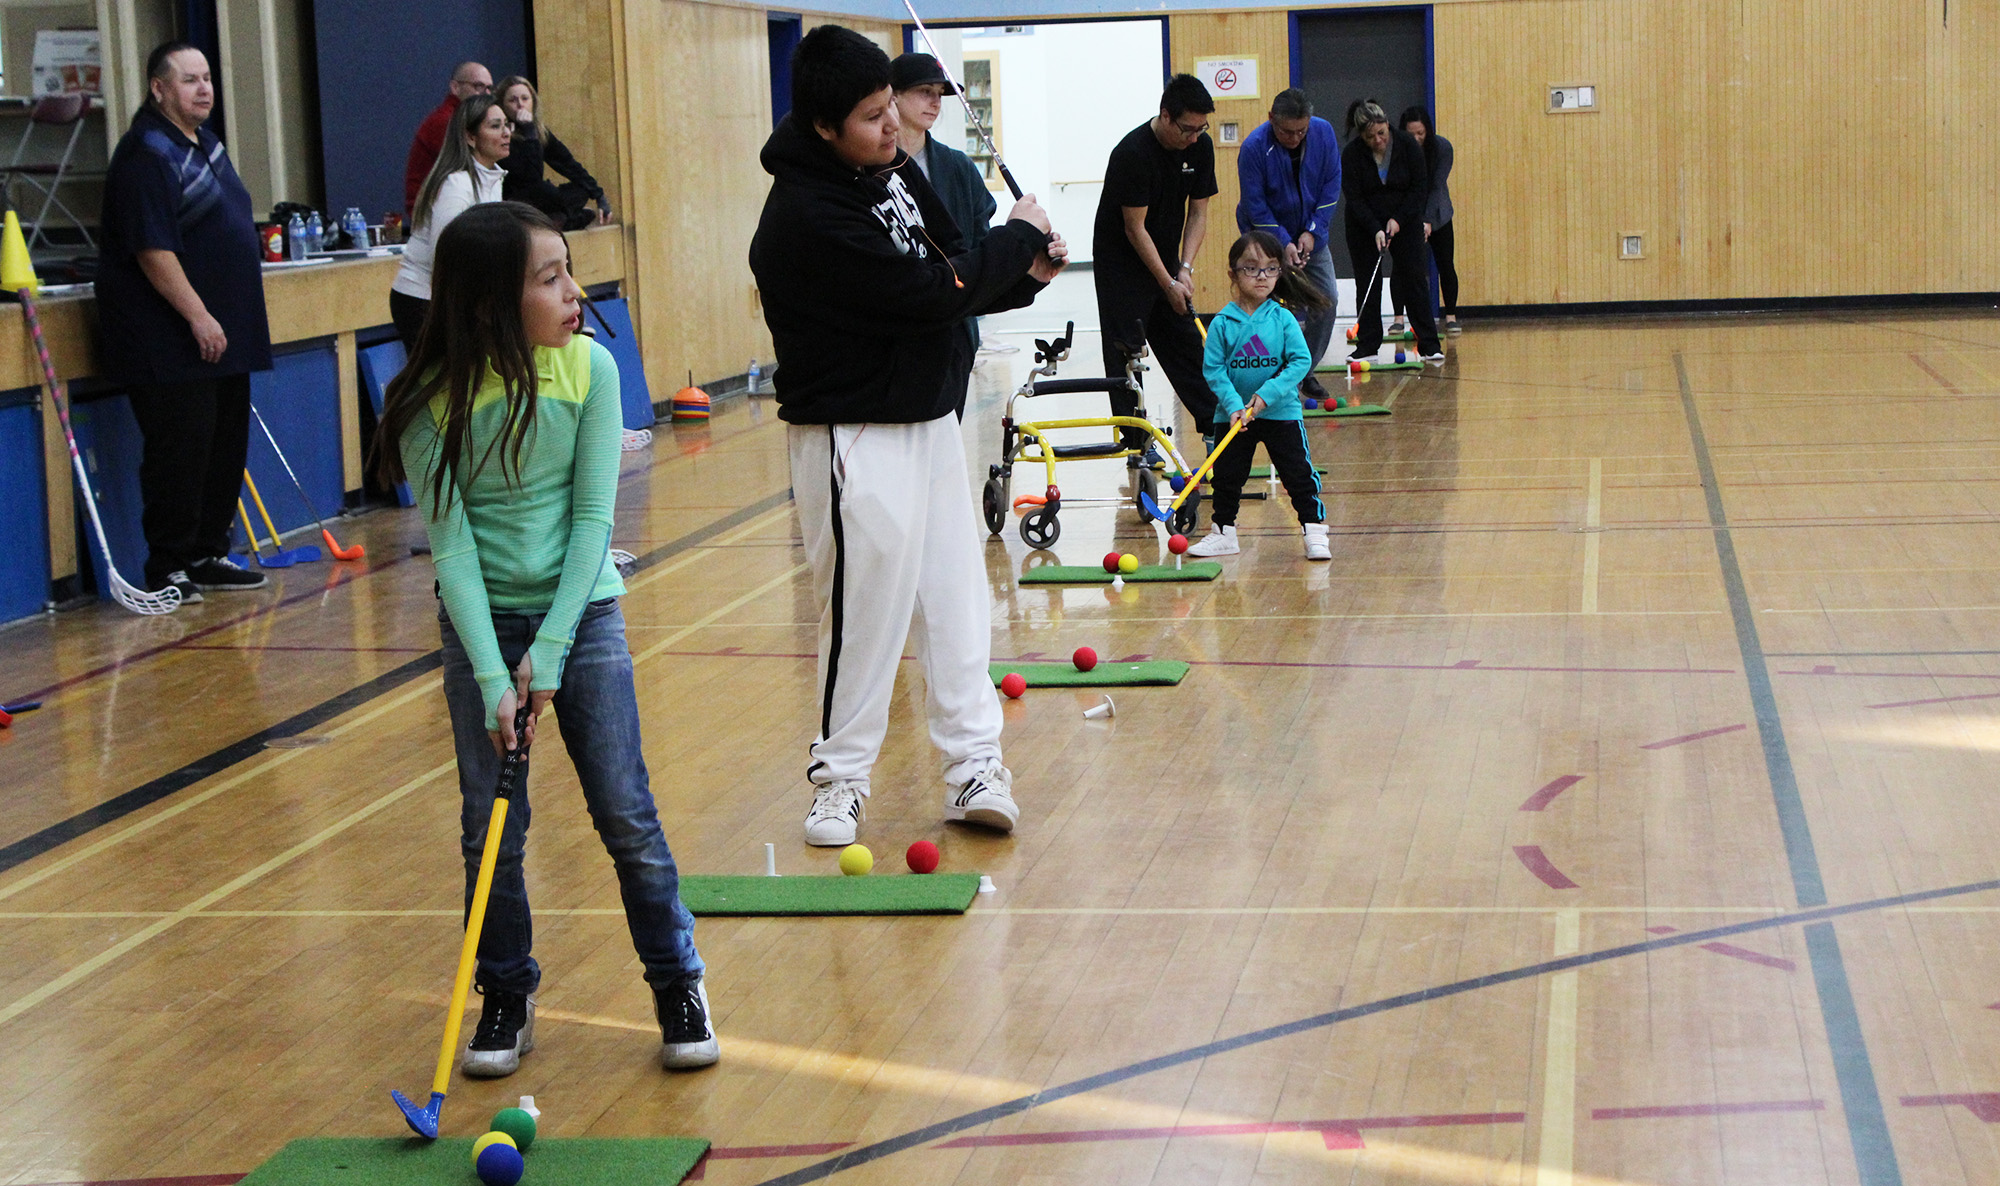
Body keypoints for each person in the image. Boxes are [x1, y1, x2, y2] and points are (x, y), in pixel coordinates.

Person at [374, 201, 718, 1079]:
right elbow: (452, 549)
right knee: (489, 830)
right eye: (549, 278)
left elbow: (593, 521)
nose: (574, 293)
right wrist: (494, 676)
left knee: (626, 814)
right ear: (492, 300)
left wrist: (553, 648)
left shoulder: (590, 369)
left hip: (582, 615)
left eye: (570, 271)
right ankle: (506, 994)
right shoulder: (429, 399)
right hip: (479, 627)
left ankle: (677, 981)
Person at [747, 25, 1066, 846]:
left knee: (954, 603)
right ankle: (839, 781)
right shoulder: (807, 216)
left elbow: (953, 263)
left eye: (891, 106)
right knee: (866, 614)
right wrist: (1015, 239)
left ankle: (974, 766)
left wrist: (1023, 273)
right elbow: (926, 294)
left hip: (928, 420)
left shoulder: (891, 171)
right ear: (825, 126)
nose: (892, 126)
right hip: (852, 434)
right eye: (871, 116)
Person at [96, 41, 273, 602]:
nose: (204, 89)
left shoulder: (206, 144)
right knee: (181, 451)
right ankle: (168, 565)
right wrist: (198, 315)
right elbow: (153, 250)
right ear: (159, 88)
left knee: (224, 447)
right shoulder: (146, 153)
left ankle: (206, 552)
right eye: (190, 79)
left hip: (225, 334)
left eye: (207, 79)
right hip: (170, 338)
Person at [1185, 232, 1331, 562]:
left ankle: (1314, 529)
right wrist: (1234, 405)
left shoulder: (1283, 318)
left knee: (1298, 473)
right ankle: (1223, 532)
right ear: (1233, 274)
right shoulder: (1222, 323)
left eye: (1271, 268)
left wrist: (1265, 396)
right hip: (1233, 417)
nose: (1262, 276)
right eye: (1251, 268)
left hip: (1281, 413)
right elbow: (1214, 370)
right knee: (1227, 477)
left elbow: (1300, 362)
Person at [1092, 74, 1217, 445]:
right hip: (1121, 263)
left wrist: (1185, 269)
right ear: (1165, 115)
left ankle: (1215, 425)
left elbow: (1198, 213)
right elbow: (1135, 229)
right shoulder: (1132, 154)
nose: (1194, 137)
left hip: (1165, 257)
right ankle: (1136, 443)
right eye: (1187, 129)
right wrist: (1167, 283)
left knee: (1186, 342)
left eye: (1201, 128)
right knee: (1126, 352)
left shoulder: (1200, 146)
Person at [891, 51, 995, 369]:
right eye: (925, 91)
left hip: (954, 327)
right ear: (893, 96)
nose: (935, 102)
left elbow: (980, 238)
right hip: (897, 325)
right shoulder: (872, 167)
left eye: (939, 94)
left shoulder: (958, 166)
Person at [1236, 87, 1341, 396]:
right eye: (1287, 132)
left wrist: (1313, 231)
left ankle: (1303, 372)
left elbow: (1332, 184)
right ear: (1271, 119)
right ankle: (1264, 380)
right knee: (1268, 308)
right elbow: (1255, 205)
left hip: (1312, 237)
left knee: (1328, 299)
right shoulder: (1253, 148)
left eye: (1301, 131)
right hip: (1264, 239)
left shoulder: (1324, 133)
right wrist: (1282, 242)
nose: (1295, 138)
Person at [391, 94, 510, 347]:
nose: (507, 133)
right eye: (495, 126)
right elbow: (445, 252)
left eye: (507, 124)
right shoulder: (456, 184)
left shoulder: (493, 180)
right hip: (422, 300)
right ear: (470, 137)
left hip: (453, 299)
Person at [1341, 100, 1442, 364]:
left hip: (1405, 219)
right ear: (1361, 135)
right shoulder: (1351, 154)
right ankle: (1367, 345)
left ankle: (1429, 344)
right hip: (1364, 224)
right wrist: (1374, 228)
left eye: (1381, 133)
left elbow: (1419, 188)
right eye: (1370, 136)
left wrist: (1398, 219)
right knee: (1367, 282)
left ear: (1387, 124)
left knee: (1414, 279)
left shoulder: (1408, 145)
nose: (1378, 140)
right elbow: (1354, 198)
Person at [494, 76, 611, 231]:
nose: (520, 105)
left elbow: (566, 162)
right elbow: (531, 177)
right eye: (512, 100)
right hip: (514, 198)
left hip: (540, 199)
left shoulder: (539, 132)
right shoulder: (502, 135)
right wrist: (529, 134)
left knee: (581, 190)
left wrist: (599, 195)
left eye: (525, 99)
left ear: (533, 102)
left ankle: (558, 219)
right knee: (544, 191)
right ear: (502, 105)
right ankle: (565, 219)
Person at [1389, 105, 1459, 336]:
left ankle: (1451, 316)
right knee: (1401, 265)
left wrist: (1427, 219)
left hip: (1438, 214)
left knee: (1445, 264)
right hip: (1408, 214)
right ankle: (1398, 318)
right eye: (1411, 134)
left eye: (1421, 133)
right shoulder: (1396, 150)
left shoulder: (1442, 148)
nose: (1416, 138)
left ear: (1428, 130)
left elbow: (1437, 186)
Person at [403, 61, 491, 215]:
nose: (487, 94)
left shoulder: (459, 119)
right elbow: (468, 165)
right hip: (433, 211)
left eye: (489, 88)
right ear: (455, 87)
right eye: (478, 86)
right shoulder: (447, 122)